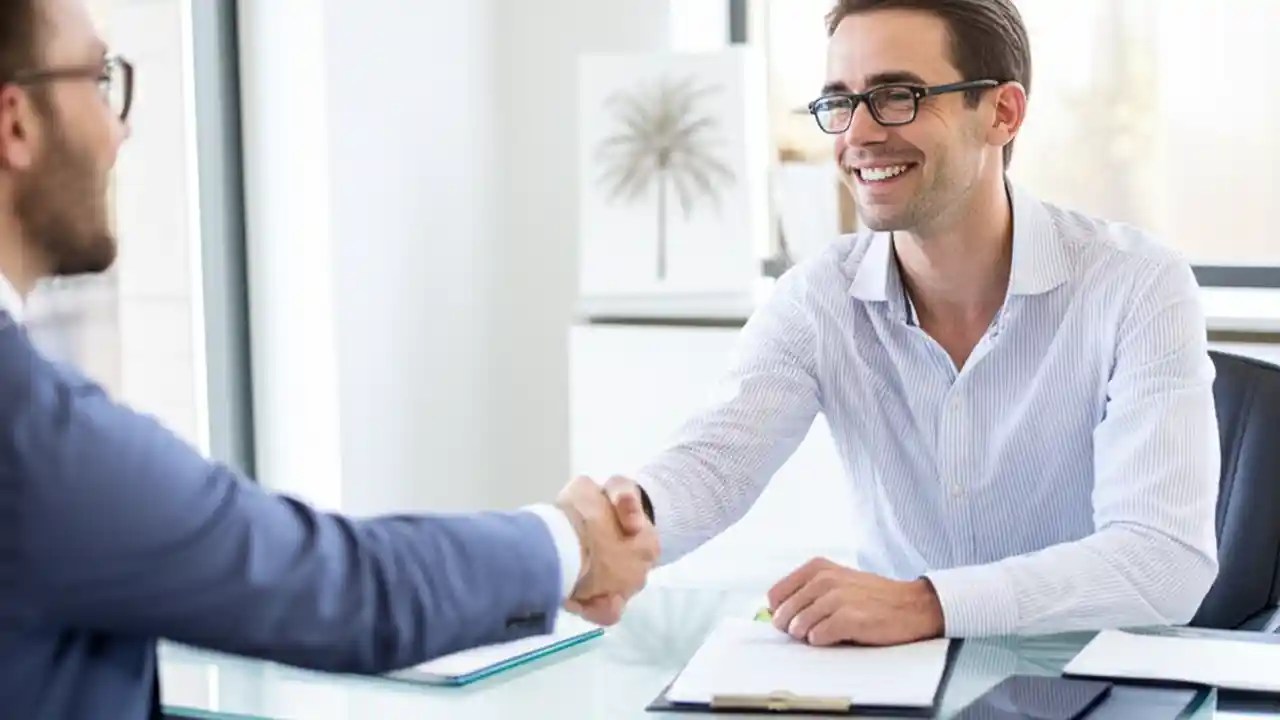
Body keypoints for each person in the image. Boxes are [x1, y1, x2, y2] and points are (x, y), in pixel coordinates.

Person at [0, 0, 657, 717]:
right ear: (16, 123)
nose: (119, 128)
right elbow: (341, 585)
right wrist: (572, 540)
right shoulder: (28, 434)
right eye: (99, 80)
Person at [596, 0, 1220, 646]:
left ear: (1001, 113)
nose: (858, 135)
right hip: (894, 688)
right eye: (841, 102)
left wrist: (929, 604)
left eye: (898, 96)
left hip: (1090, 688)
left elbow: (1163, 560)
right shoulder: (818, 300)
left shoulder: (1137, 286)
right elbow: (711, 467)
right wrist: (619, 524)